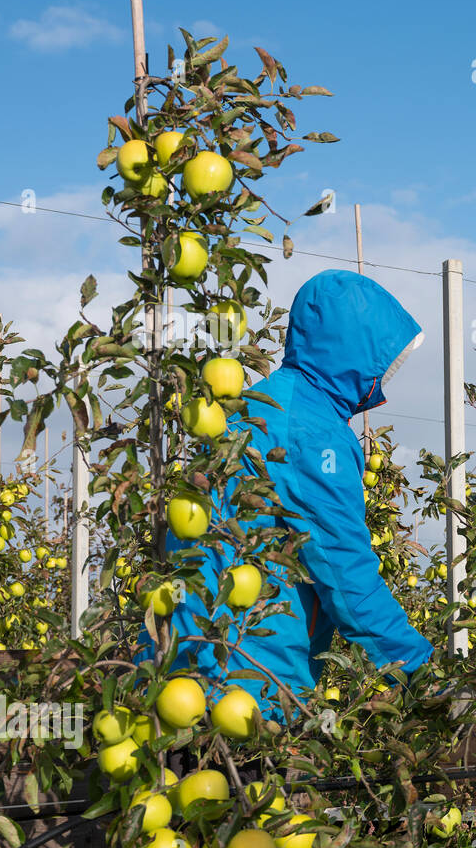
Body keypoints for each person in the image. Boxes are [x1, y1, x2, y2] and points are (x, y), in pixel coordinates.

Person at [144, 269, 434, 718]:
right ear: (355, 350)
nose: (385, 379)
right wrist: (417, 669)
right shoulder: (311, 432)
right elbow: (344, 572)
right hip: (246, 684)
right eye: (382, 361)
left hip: (179, 663)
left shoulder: (258, 406)